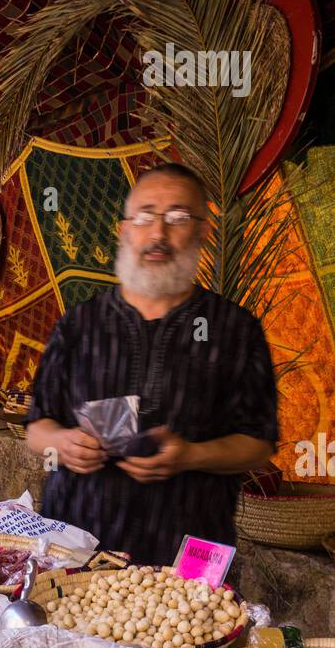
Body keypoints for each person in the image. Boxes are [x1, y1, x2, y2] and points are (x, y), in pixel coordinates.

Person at [25, 162, 278, 566]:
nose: (158, 233)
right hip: (76, 552)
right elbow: (37, 427)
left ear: (202, 231)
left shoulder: (236, 329)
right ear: (125, 230)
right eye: (145, 216)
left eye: (178, 217)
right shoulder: (78, 325)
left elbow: (259, 445)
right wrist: (63, 444)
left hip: (190, 558)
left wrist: (191, 455)